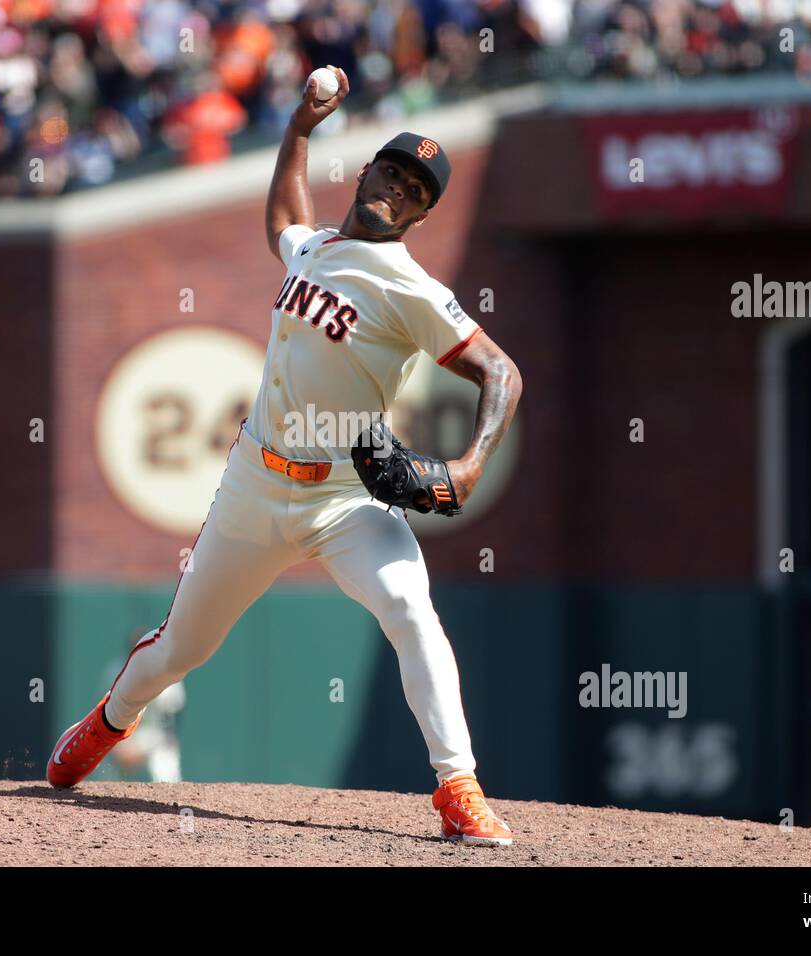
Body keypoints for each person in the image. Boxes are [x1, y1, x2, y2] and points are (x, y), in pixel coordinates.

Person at [48, 65, 523, 845]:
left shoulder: (408, 286)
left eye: (416, 189)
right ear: (366, 169)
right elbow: (284, 220)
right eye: (392, 170)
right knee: (181, 649)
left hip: (345, 498)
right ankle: (109, 722)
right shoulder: (318, 248)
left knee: (411, 609)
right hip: (255, 486)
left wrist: (468, 465)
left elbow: (500, 372)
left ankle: (458, 787)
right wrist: (300, 130)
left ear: (422, 214)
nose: (397, 189)